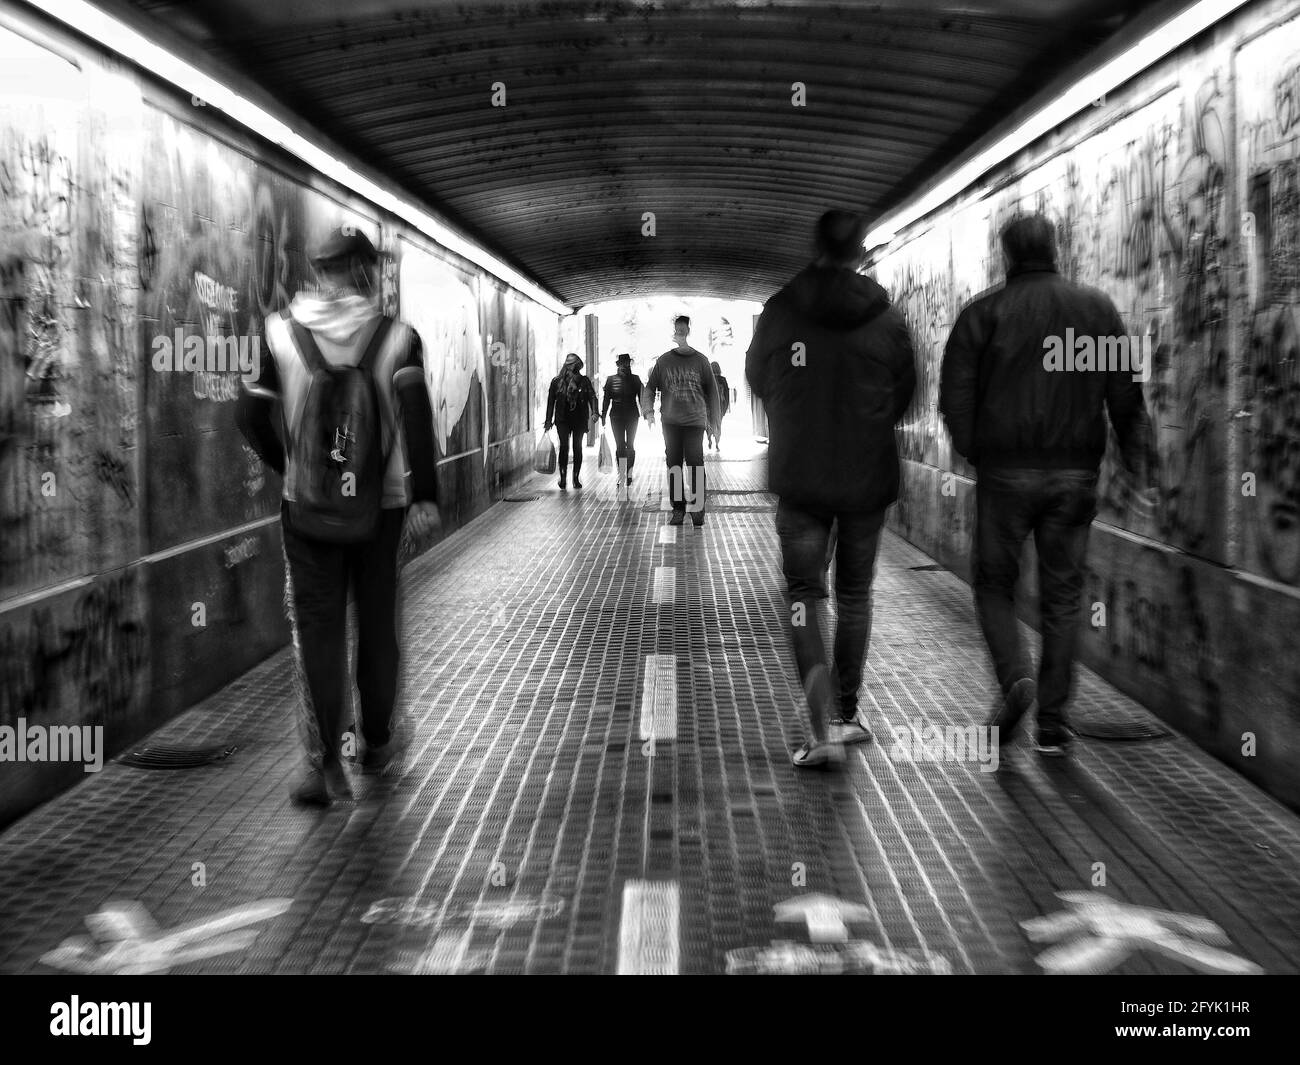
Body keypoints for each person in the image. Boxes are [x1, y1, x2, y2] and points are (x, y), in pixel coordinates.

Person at [939, 213, 1157, 757]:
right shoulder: (1097, 310)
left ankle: (1017, 678)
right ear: (1055, 249)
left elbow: (954, 397)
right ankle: (1054, 723)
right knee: (1063, 597)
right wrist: (1137, 466)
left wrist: (978, 451)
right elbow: (1124, 394)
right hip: (1074, 476)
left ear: (1006, 255)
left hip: (1005, 474)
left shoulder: (981, 315)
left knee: (993, 584)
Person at [237, 226, 441, 805]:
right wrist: (424, 495)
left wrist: (297, 473)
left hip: (306, 515)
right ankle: (376, 743)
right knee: (377, 627)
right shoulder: (399, 339)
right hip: (382, 511)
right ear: (366, 274)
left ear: (319, 272)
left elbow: (249, 419)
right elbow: (416, 417)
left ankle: (324, 762)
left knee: (318, 632)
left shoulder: (278, 333)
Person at [747, 210, 916, 768]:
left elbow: (755, 375)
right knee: (855, 597)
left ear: (814, 246)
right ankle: (846, 713)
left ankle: (820, 731)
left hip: (801, 476)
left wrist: (793, 411)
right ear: (860, 251)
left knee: (804, 597)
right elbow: (905, 391)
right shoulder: (886, 318)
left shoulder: (781, 311)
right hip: (866, 476)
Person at [643, 316, 721, 526]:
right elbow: (650, 388)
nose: (679, 331)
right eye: (676, 328)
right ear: (674, 331)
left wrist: (715, 424)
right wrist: (648, 411)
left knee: (696, 464)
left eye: (682, 328)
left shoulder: (701, 360)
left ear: (688, 330)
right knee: (674, 465)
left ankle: (697, 509)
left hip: (695, 422)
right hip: (671, 422)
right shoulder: (664, 360)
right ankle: (678, 509)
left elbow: (713, 393)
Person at [544, 353, 597, 490]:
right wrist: (548, 420)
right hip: (562, 419)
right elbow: (551, 402)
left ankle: (575, 478)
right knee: (564, 447)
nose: (576, 368)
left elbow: (592, 396)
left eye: (577, 366)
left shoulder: (584, 381)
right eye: (574, 366)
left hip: (579, 419)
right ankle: (562, 477)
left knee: (577, 447)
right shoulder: (557, 382)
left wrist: (595, 412)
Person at [601, 352, 643, 486]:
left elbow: (641, 398)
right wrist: (603, 414)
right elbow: (606, 399)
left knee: (630, 444)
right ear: (618, 365)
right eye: (623, 364)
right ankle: (622, 474)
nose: (625, 366)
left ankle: (629, 472)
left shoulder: (636, 379)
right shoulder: (611, 379)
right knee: (620, 445)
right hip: (616, 415)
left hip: (631, 415)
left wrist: (647, 413)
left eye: (627, 363)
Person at [706, 360, 731, 452]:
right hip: (720, 407)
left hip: (709, 407)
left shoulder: (707, 380)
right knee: (718, 424)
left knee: (709, 424)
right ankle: (717, 443)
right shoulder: (723, 380)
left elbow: (704, 394)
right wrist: (725, 408)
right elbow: (727, 395)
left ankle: (709, 439)